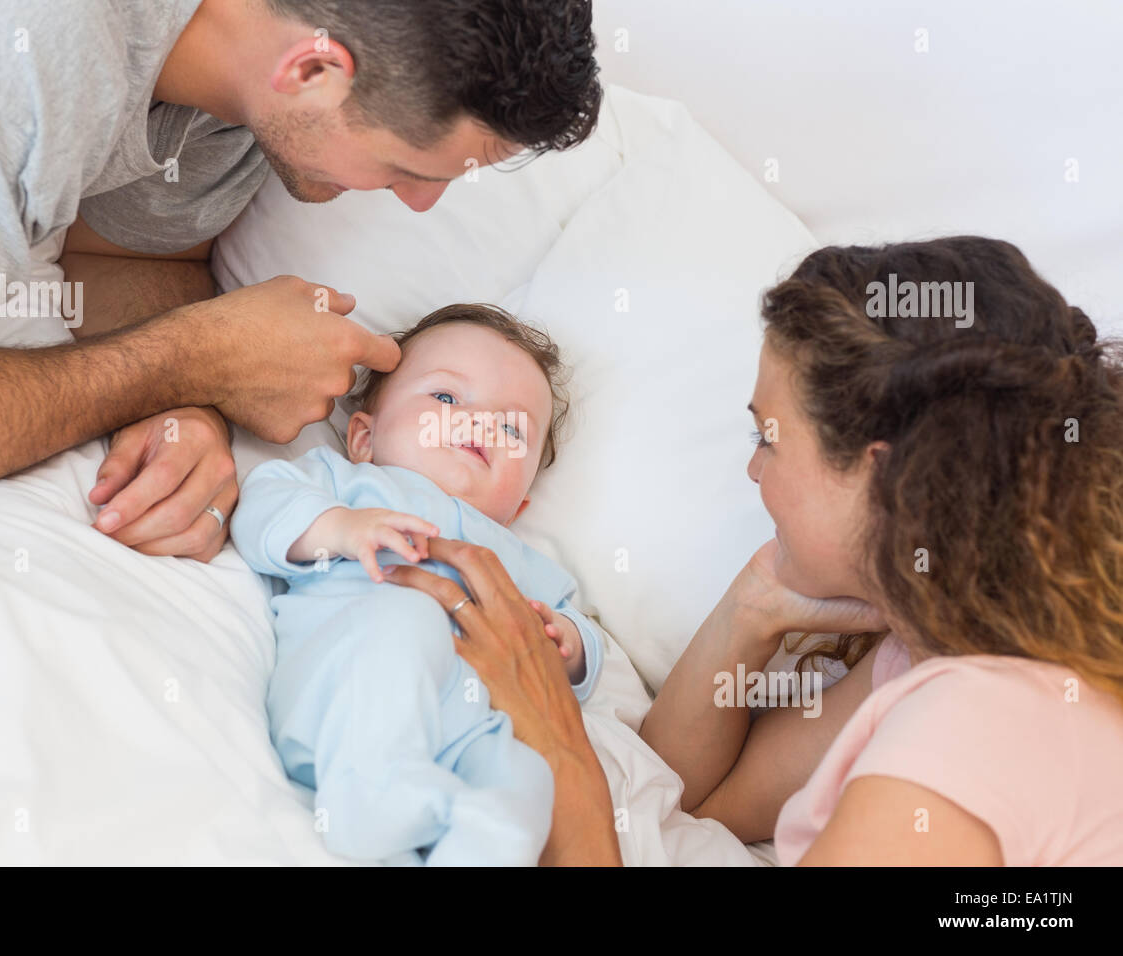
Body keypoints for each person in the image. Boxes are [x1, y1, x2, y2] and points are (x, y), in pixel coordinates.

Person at [388, 237, 1123, 865]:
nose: (753, 471)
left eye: (767, 438)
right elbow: (692, 800)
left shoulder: (975, 733)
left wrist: (557, 746)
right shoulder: (933, 654)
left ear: (882, 475)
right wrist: (758, 603)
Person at [0, 0, 601, 562]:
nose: (420, 202)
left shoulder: (242, 101)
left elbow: (126, 256)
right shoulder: (2, 51)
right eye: (407, 168)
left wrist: (184, 408)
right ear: (315, 70)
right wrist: (192, 360)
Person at [230, 305, 603, 864]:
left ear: (520, 504)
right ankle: (374, 800)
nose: (480, 425)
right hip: (350, 695)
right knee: (408, 616)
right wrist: (340, 527)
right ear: (363, 437)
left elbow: (581, 645)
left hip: (465, 728)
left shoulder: (519, 556)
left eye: (511, 428)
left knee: (528, 772)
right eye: (447, 400)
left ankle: (478, 842)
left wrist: (567, 642)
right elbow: (262, 505)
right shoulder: (350, 483)